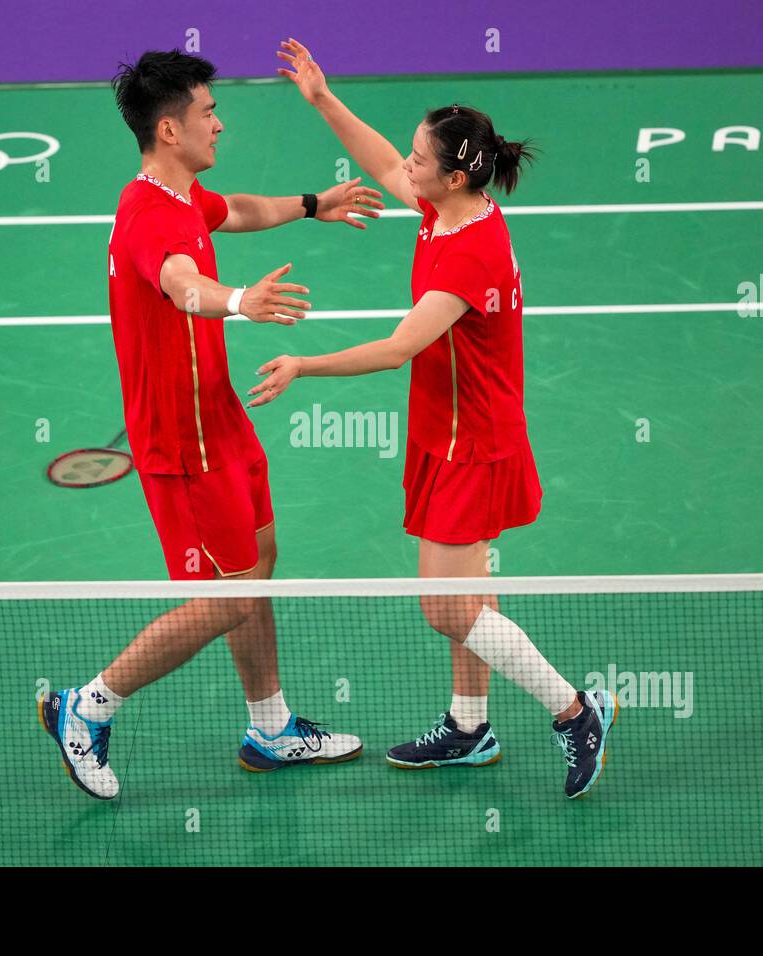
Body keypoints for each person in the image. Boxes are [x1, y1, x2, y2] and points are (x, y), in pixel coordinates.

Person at [251, 38, 617, 798]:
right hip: (447, 430)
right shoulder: (452, 206)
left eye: (422, 160)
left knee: (444, 606)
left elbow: (396, 350)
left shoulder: (467, 254)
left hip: (473, 445)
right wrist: (322, 98)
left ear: (453, 175)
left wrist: (302, 365)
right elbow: (383, 161)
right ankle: (469, 726)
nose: (404, 168)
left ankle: (575, 711)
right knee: (471, 599)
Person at [40, 49, 384, 799]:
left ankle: (270, 728)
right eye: (207, 113)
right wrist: (238, 303)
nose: (219, 124)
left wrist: (314, 203)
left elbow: (241, 211)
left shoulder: (185, 196)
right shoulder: (144, 216)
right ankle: (87, 705)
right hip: (178, 444)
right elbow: (181, 284)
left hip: (219, 419)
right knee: (228, 596)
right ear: (169, 129)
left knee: (261, 557)